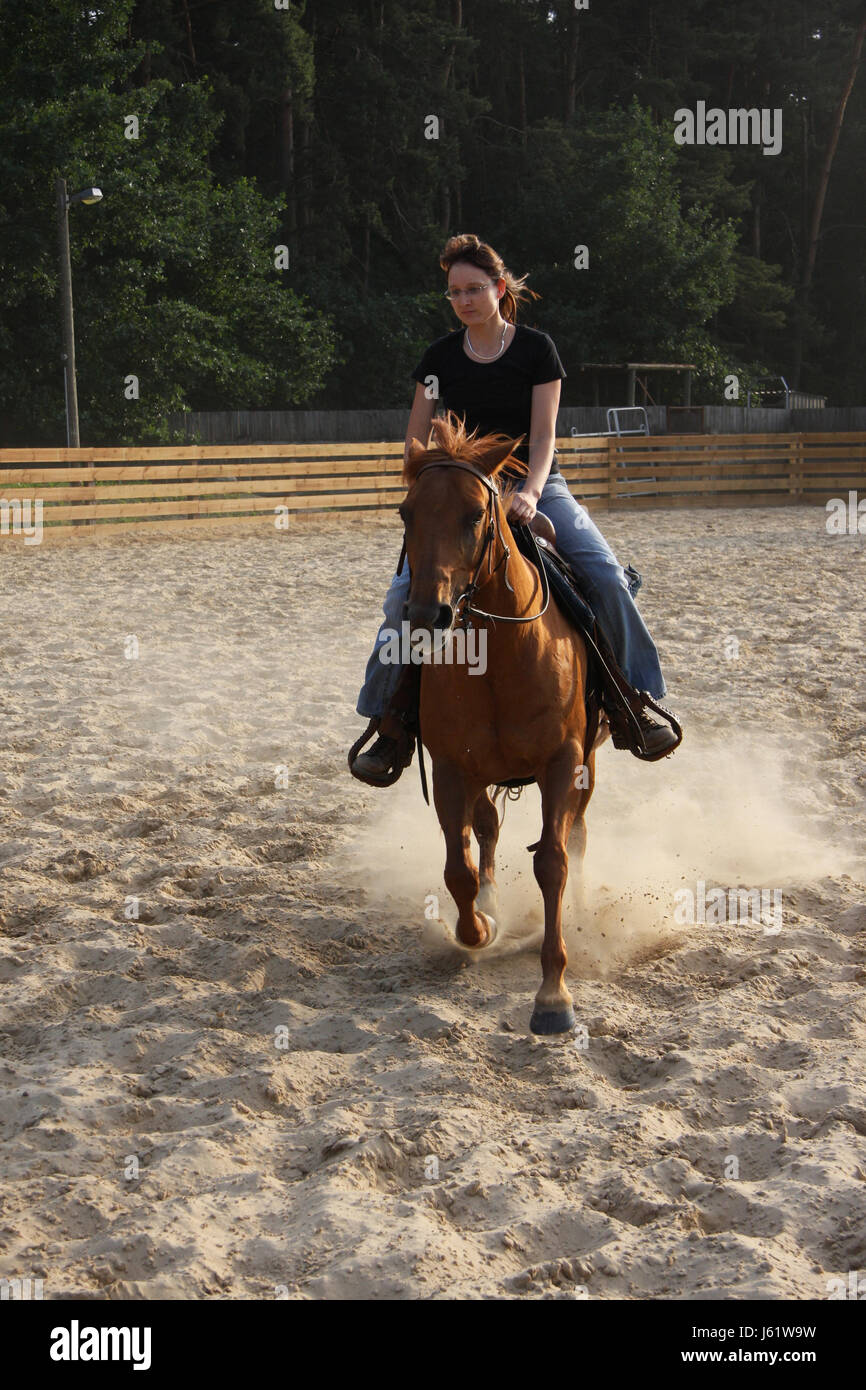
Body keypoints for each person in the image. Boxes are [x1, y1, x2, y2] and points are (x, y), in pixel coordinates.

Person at [352, 232, 680, 783]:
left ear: (500, 289)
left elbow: (545, 435)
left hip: (536, 484)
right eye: (454, 291)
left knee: (604, 575)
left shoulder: (536, 350)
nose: (463, 300)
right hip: (459, 497)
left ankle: (632, 699)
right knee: (400, 602)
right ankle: (393, 726)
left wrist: (528, 492)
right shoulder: (437, 358)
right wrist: (434, 485)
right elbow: (414, 443)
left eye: (474, 289)